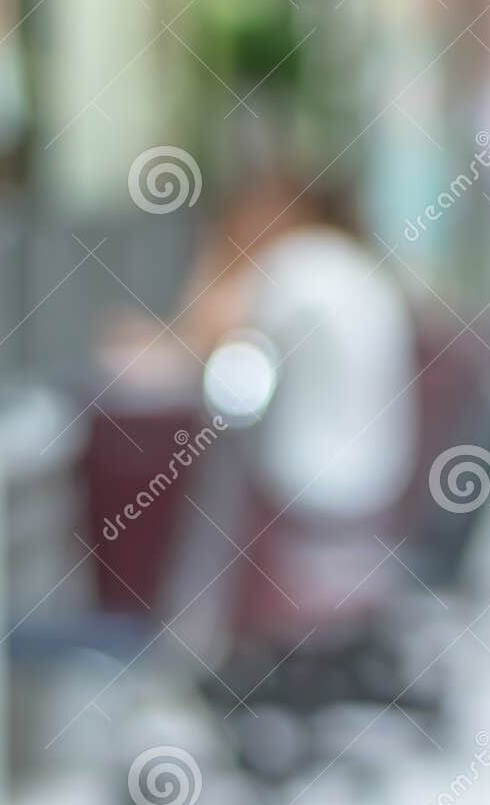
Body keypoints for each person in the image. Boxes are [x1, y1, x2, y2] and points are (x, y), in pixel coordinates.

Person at [161, 167, 419, 657]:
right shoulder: (351, 264)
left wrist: (215, 258)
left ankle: (187, 642)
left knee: (191, 482)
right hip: (373, 488)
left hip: (316, 491)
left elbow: (202, 337)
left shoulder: (300, 265)